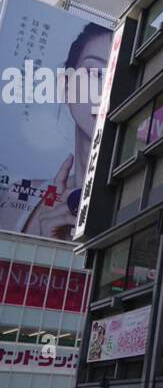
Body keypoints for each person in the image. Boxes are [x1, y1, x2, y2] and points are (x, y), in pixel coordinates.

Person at [11, 23, 112, 239]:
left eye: (119, 79)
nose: (105, 92)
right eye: (95, 73)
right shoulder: (19, 195)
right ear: (66, 86)